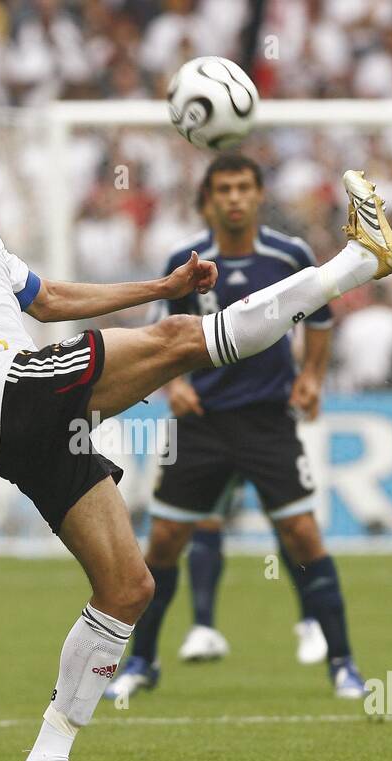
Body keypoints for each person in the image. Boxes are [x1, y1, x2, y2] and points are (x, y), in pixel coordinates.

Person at [0, 75, 392, 761]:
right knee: (185, 339)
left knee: (129, 587)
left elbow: (50, 300)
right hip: (0, 389)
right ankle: (357, 262)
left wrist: (162, 283)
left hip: (24, 419)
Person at [103, 153, 367, 703]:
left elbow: (319, 317)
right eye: (223, 189)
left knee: (301, 534)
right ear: (207, 199)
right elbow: (161, 337)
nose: (234, 198)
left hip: (268, 420)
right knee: (166, 541)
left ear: (259, 194)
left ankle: (343, 664)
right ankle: (143, 662)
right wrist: (172, 385)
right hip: (201, 421)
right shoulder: (187, 261)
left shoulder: (289, 254)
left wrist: (314, 375)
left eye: (244, 187)